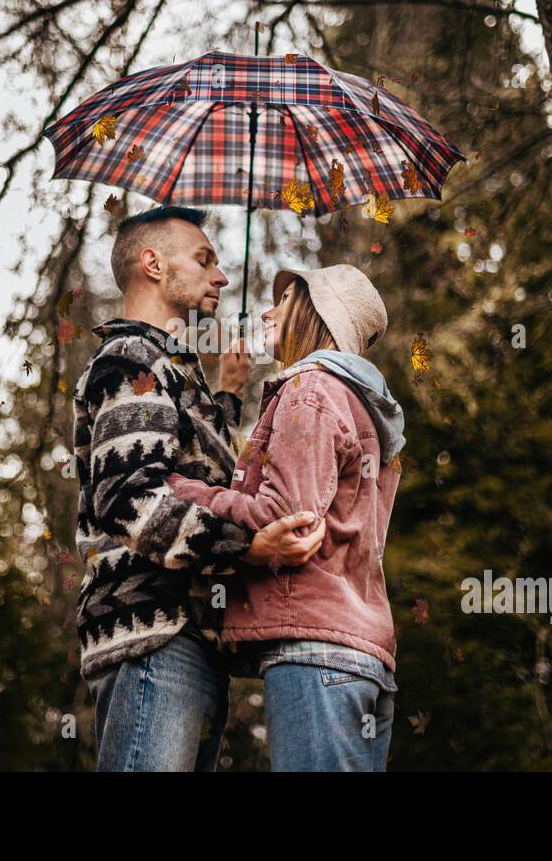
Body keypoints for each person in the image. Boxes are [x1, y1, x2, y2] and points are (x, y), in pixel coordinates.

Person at [72, 204, 326, 772]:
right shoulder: (131, 359)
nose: (222, 277)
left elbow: (195, 476)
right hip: (151, 631)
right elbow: (132, 501)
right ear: (153, 264)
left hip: (190, 635)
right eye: (204, 259)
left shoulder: (170, 371)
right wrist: (249, 546)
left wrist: (226, 396)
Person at [167, 263, 405, 771]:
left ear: (316, 315)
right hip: (363, 652)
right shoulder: (363, 407)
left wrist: (191, 493)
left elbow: (287, 516)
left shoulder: (309, 391)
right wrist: (229, 395)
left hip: (317, 650)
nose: (269, 310)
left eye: (288, 300)